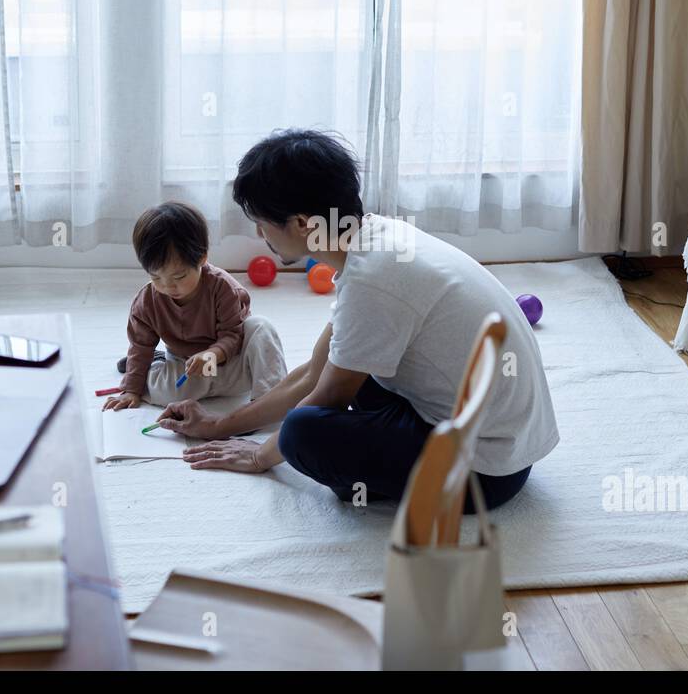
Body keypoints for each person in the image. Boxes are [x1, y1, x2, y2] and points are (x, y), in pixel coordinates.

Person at [159, 131, 558, 511]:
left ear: (302, 224)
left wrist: (259, 456)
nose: (260, 233)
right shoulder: (377, 238)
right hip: (499, 439)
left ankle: (379, 478)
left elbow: (328, 395)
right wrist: (219, 426)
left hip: (486, 471)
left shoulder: (374, 279)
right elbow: (315, 373)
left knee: (302, 434)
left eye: (262, 222)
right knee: (351, 374)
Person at [104, 201, 287, 411]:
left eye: (179, 276)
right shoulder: (146, 301)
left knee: (261, 326)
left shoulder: (224, 288)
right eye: (156, 277)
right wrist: (131, 390)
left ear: (202, 258)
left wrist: (213, 354)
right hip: (187, 369)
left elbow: (233, 335)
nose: (168, 286)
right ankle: (153, 364)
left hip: (232, 364)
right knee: (164, 391)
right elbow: (140, 346)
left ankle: (267, 401)